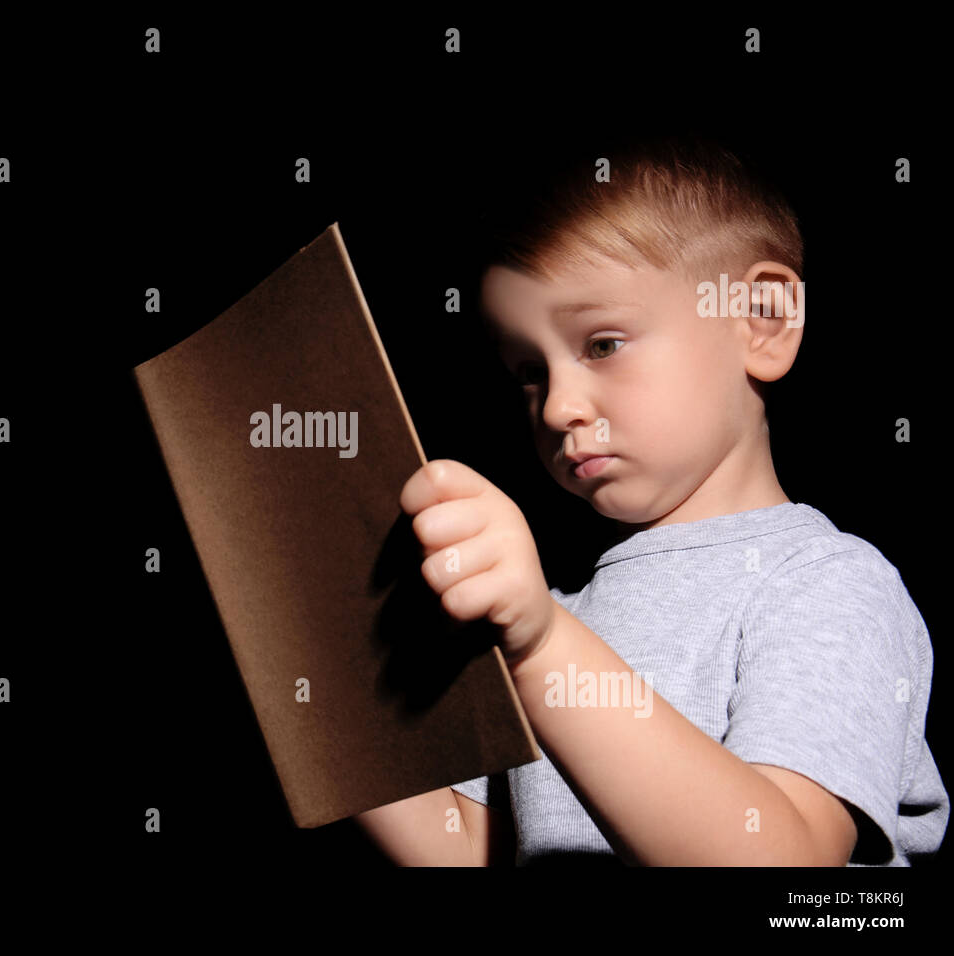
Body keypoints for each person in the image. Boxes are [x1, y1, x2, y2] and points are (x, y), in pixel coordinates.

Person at [354, 136, 948, 866]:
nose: (557, 407)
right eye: (527, 372)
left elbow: (783, 865)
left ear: (759, 318)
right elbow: (473, 853)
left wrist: (542, 650)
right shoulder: (552, 615)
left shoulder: (828, 583)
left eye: (602, 344)